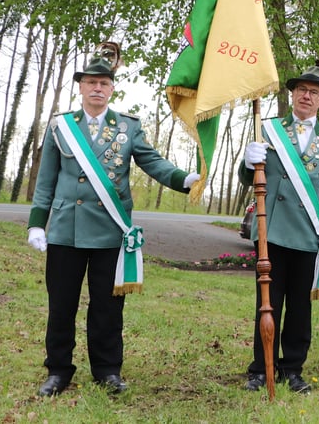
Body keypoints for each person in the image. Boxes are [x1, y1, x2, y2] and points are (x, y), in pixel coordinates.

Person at [26, 42, 200, 397]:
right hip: (65, 230)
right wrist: (36, 223)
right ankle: (58, 370)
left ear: (112, 88)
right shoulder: (61, 127)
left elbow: (153, 162)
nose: (97, 89)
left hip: (109, 231)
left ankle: (107, 370)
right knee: (62, 306)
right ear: (80, 86)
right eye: (90, 82)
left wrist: (184, 179)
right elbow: (46, 180)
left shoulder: (128, 127)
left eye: (103, 83)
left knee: (107, 308)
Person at [240, 63, 319, 394]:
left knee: (300, 307)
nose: (306, 96)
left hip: (308, 235)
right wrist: (246, 162)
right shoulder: (267, 130)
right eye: (302, 89)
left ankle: (292, 368)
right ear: (293, 94)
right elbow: (249, 179)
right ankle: (261, 368)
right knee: (267, 303)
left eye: (314, 92)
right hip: (271, 232)